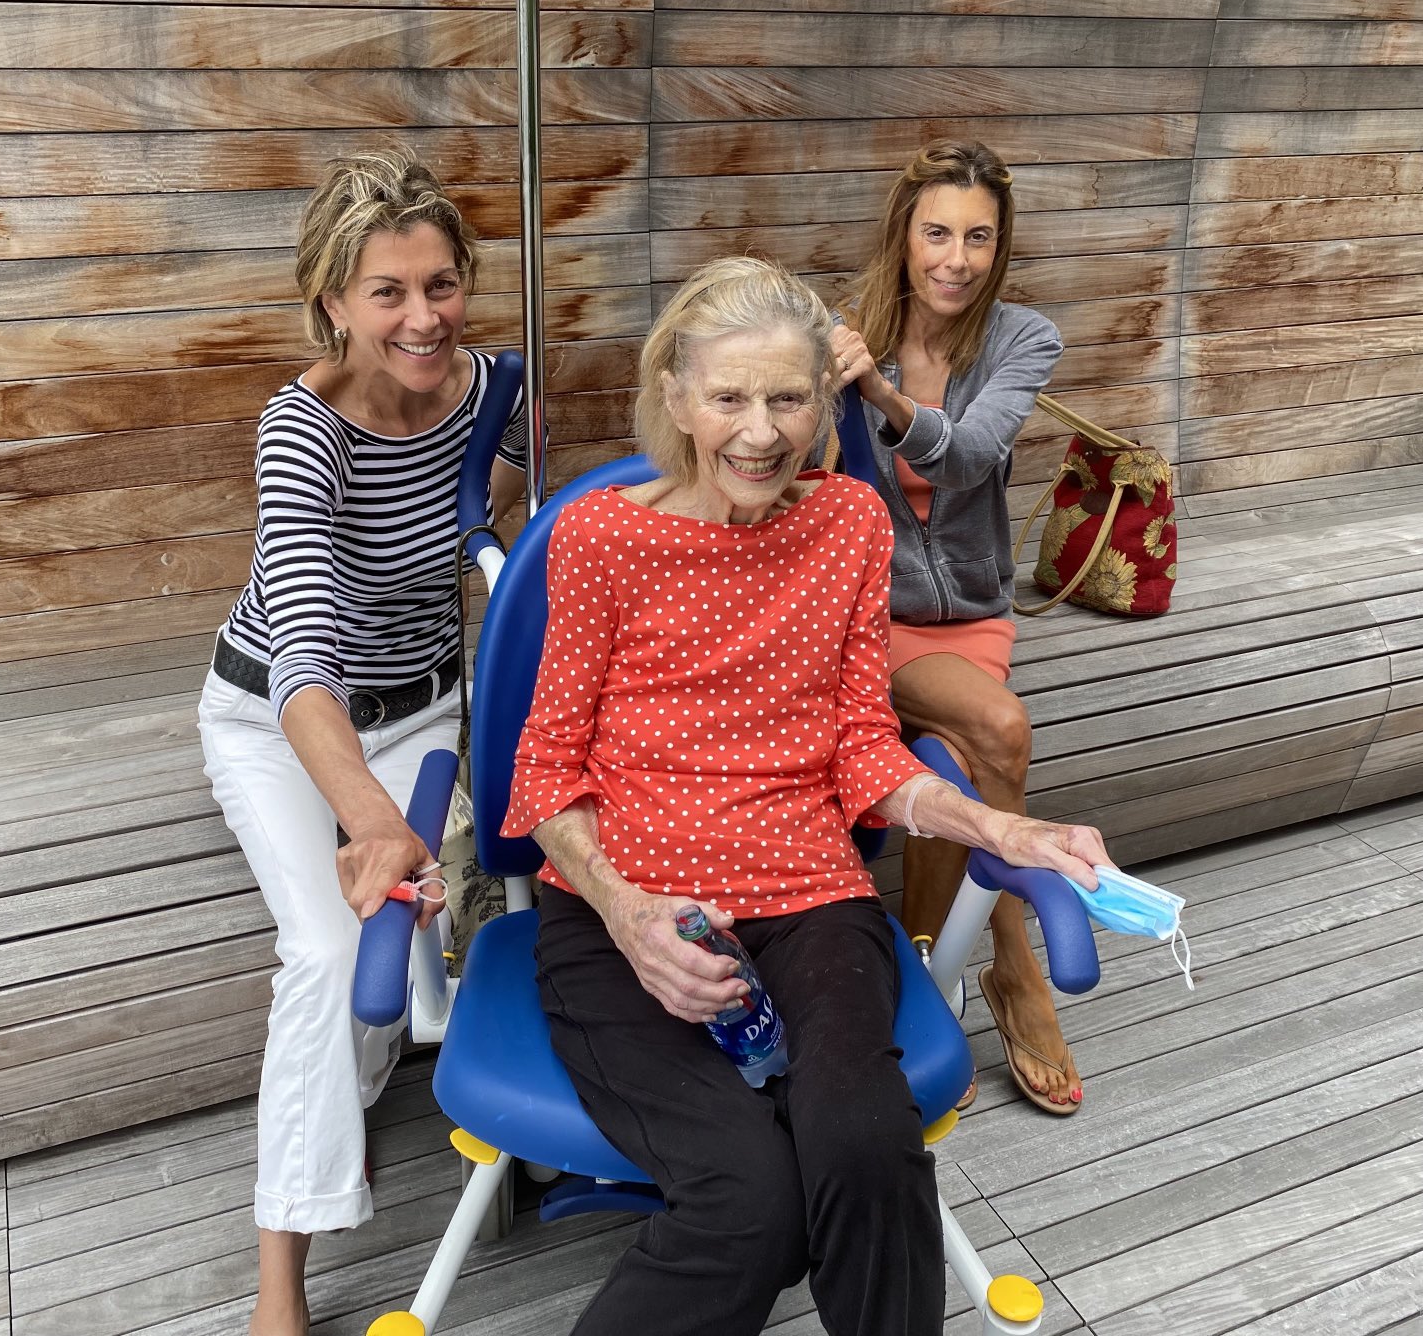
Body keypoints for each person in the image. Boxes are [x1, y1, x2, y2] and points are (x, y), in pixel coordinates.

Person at [501, 257, 1108, 1336]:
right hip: (621, 913)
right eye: (728, 397)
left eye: (787, 398)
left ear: (820, 403)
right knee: (750, 1205)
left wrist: (994, 822)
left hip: (811, 897)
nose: (759, 431)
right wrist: (627, 913)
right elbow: (546, 771)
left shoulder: (847, 527)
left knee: (866, 1146)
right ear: (677, 397)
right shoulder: (602, 539)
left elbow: (863, 753)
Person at [197, 147, 526, 1336]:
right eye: (387, 292)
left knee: (411, 938)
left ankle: (357, 1091)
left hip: (424, 706)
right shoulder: (303, 435)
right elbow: (302, 669)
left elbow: (521, 513)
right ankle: (278, 1279)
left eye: (440, 285)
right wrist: (377, 822)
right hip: (273, 719)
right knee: (331, 958)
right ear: (332, 301)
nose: (421, 317)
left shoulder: (492, 387)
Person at [829, 139, 1079, 1113]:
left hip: (971, 615)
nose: (956, 258)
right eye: (937, 231)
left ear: (998, 244)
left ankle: (923, 979)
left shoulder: (1022, 339)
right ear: (904, 234)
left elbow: (971, 456)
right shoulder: (845, 333)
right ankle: (1007, 957)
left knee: (955, 752)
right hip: (871, 617)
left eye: (977, 237)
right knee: (999, 731)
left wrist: (882, 399)